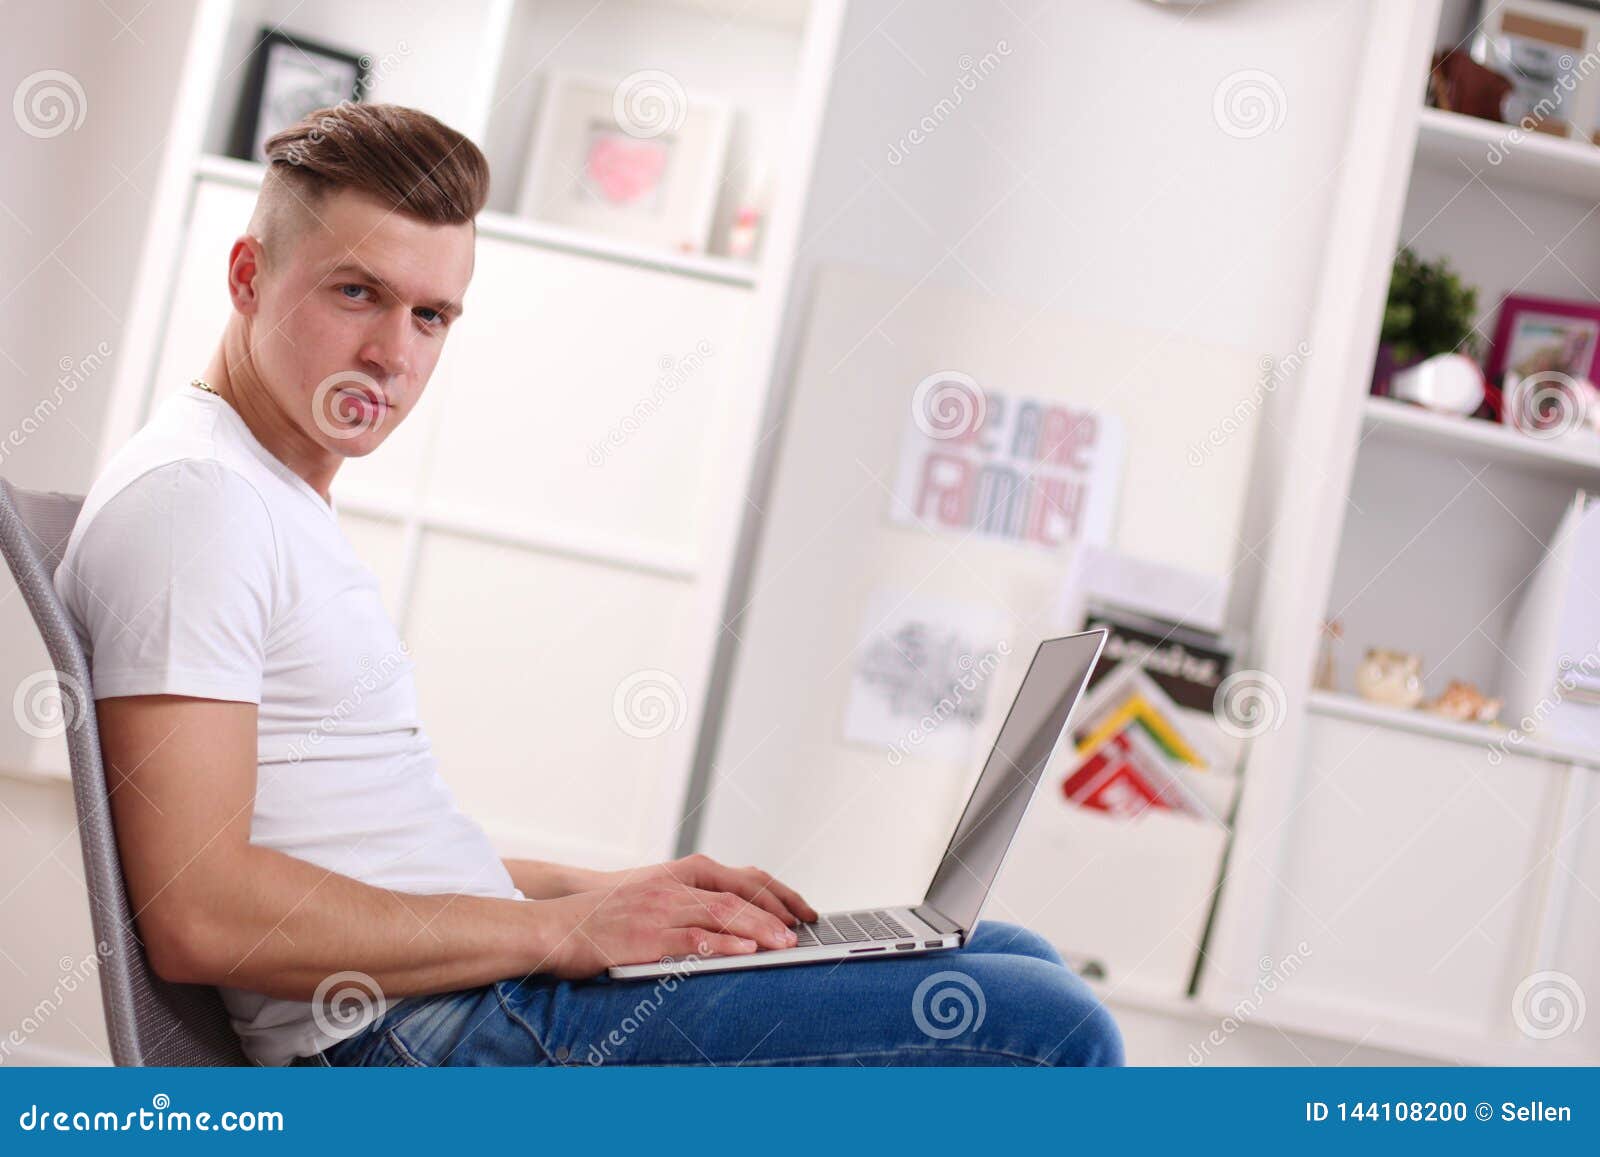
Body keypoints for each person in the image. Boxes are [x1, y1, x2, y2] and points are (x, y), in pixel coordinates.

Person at [55, 103, 1124, 1068]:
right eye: (355, 293)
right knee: (1042, 1029)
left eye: (432, 316)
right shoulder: (197, 504)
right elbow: (200, 910)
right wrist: (557, 931)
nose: (392, 353)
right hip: (401, 1047)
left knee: (1014, 959)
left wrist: (604, 892)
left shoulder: (264, 492)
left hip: (458, 999)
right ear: (247, 276)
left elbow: (367, 854)